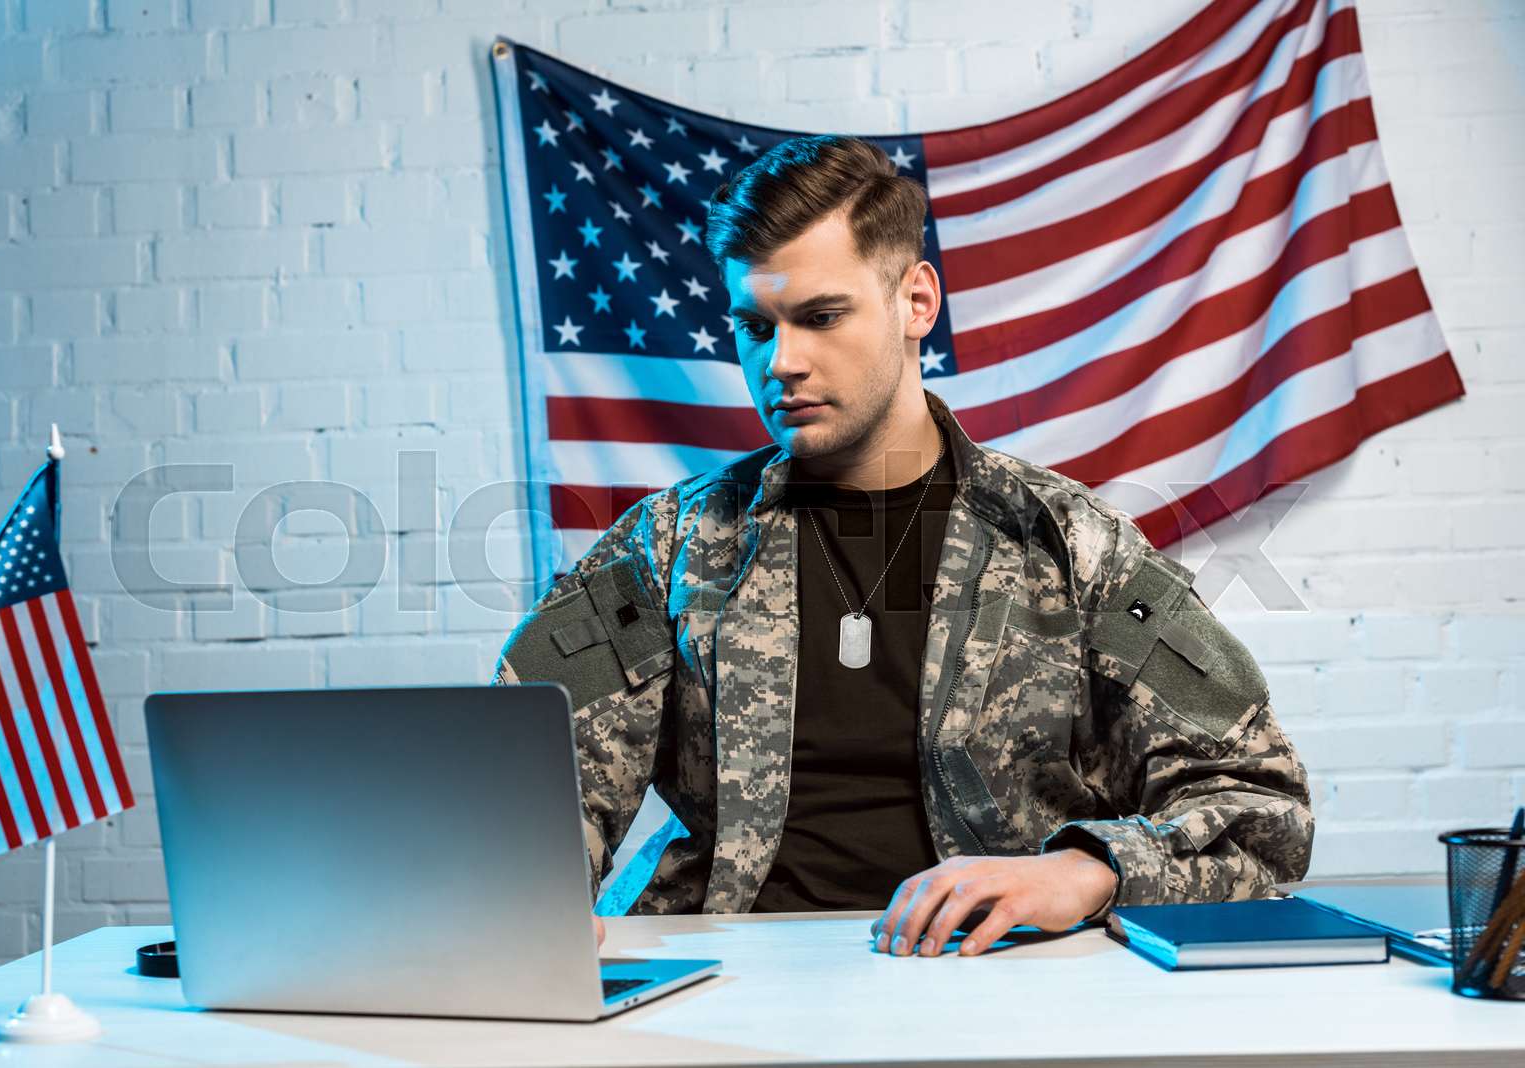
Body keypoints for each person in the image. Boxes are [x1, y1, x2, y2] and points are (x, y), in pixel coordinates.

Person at [491, 134, 1314, 959]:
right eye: (752, 325)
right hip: (727, 976)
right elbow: (520, 780)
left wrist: (1085, 870)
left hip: (1001, 977)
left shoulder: (1066, 544)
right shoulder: (673, 545)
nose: (781, 361)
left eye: (821, 317)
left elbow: (1262, 810)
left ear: (916, 301)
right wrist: (531, 900)